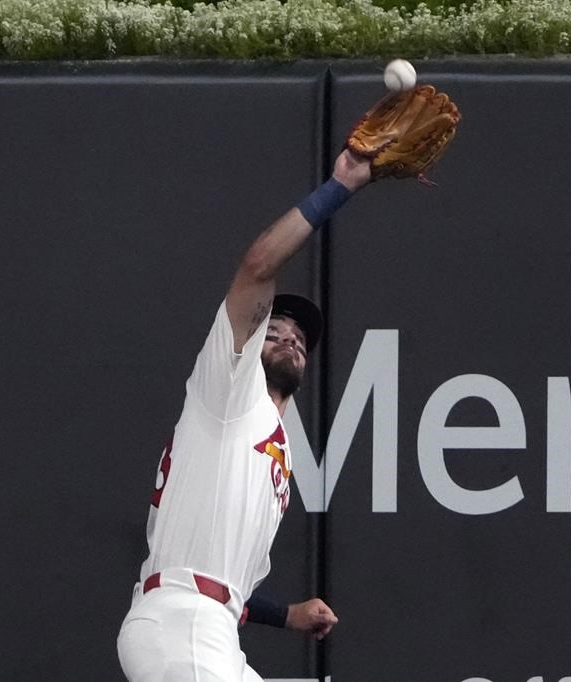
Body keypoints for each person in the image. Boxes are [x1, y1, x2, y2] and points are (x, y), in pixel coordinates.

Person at [117, 148, 373, 681]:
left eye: (300, 337)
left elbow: (218, 579)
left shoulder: (270, 437)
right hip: (180, 623)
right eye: (274, 330)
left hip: (210, 628)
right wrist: (339, 187)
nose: (290, 339)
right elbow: (259, 266)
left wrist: (286, 615)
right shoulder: (230, 387)